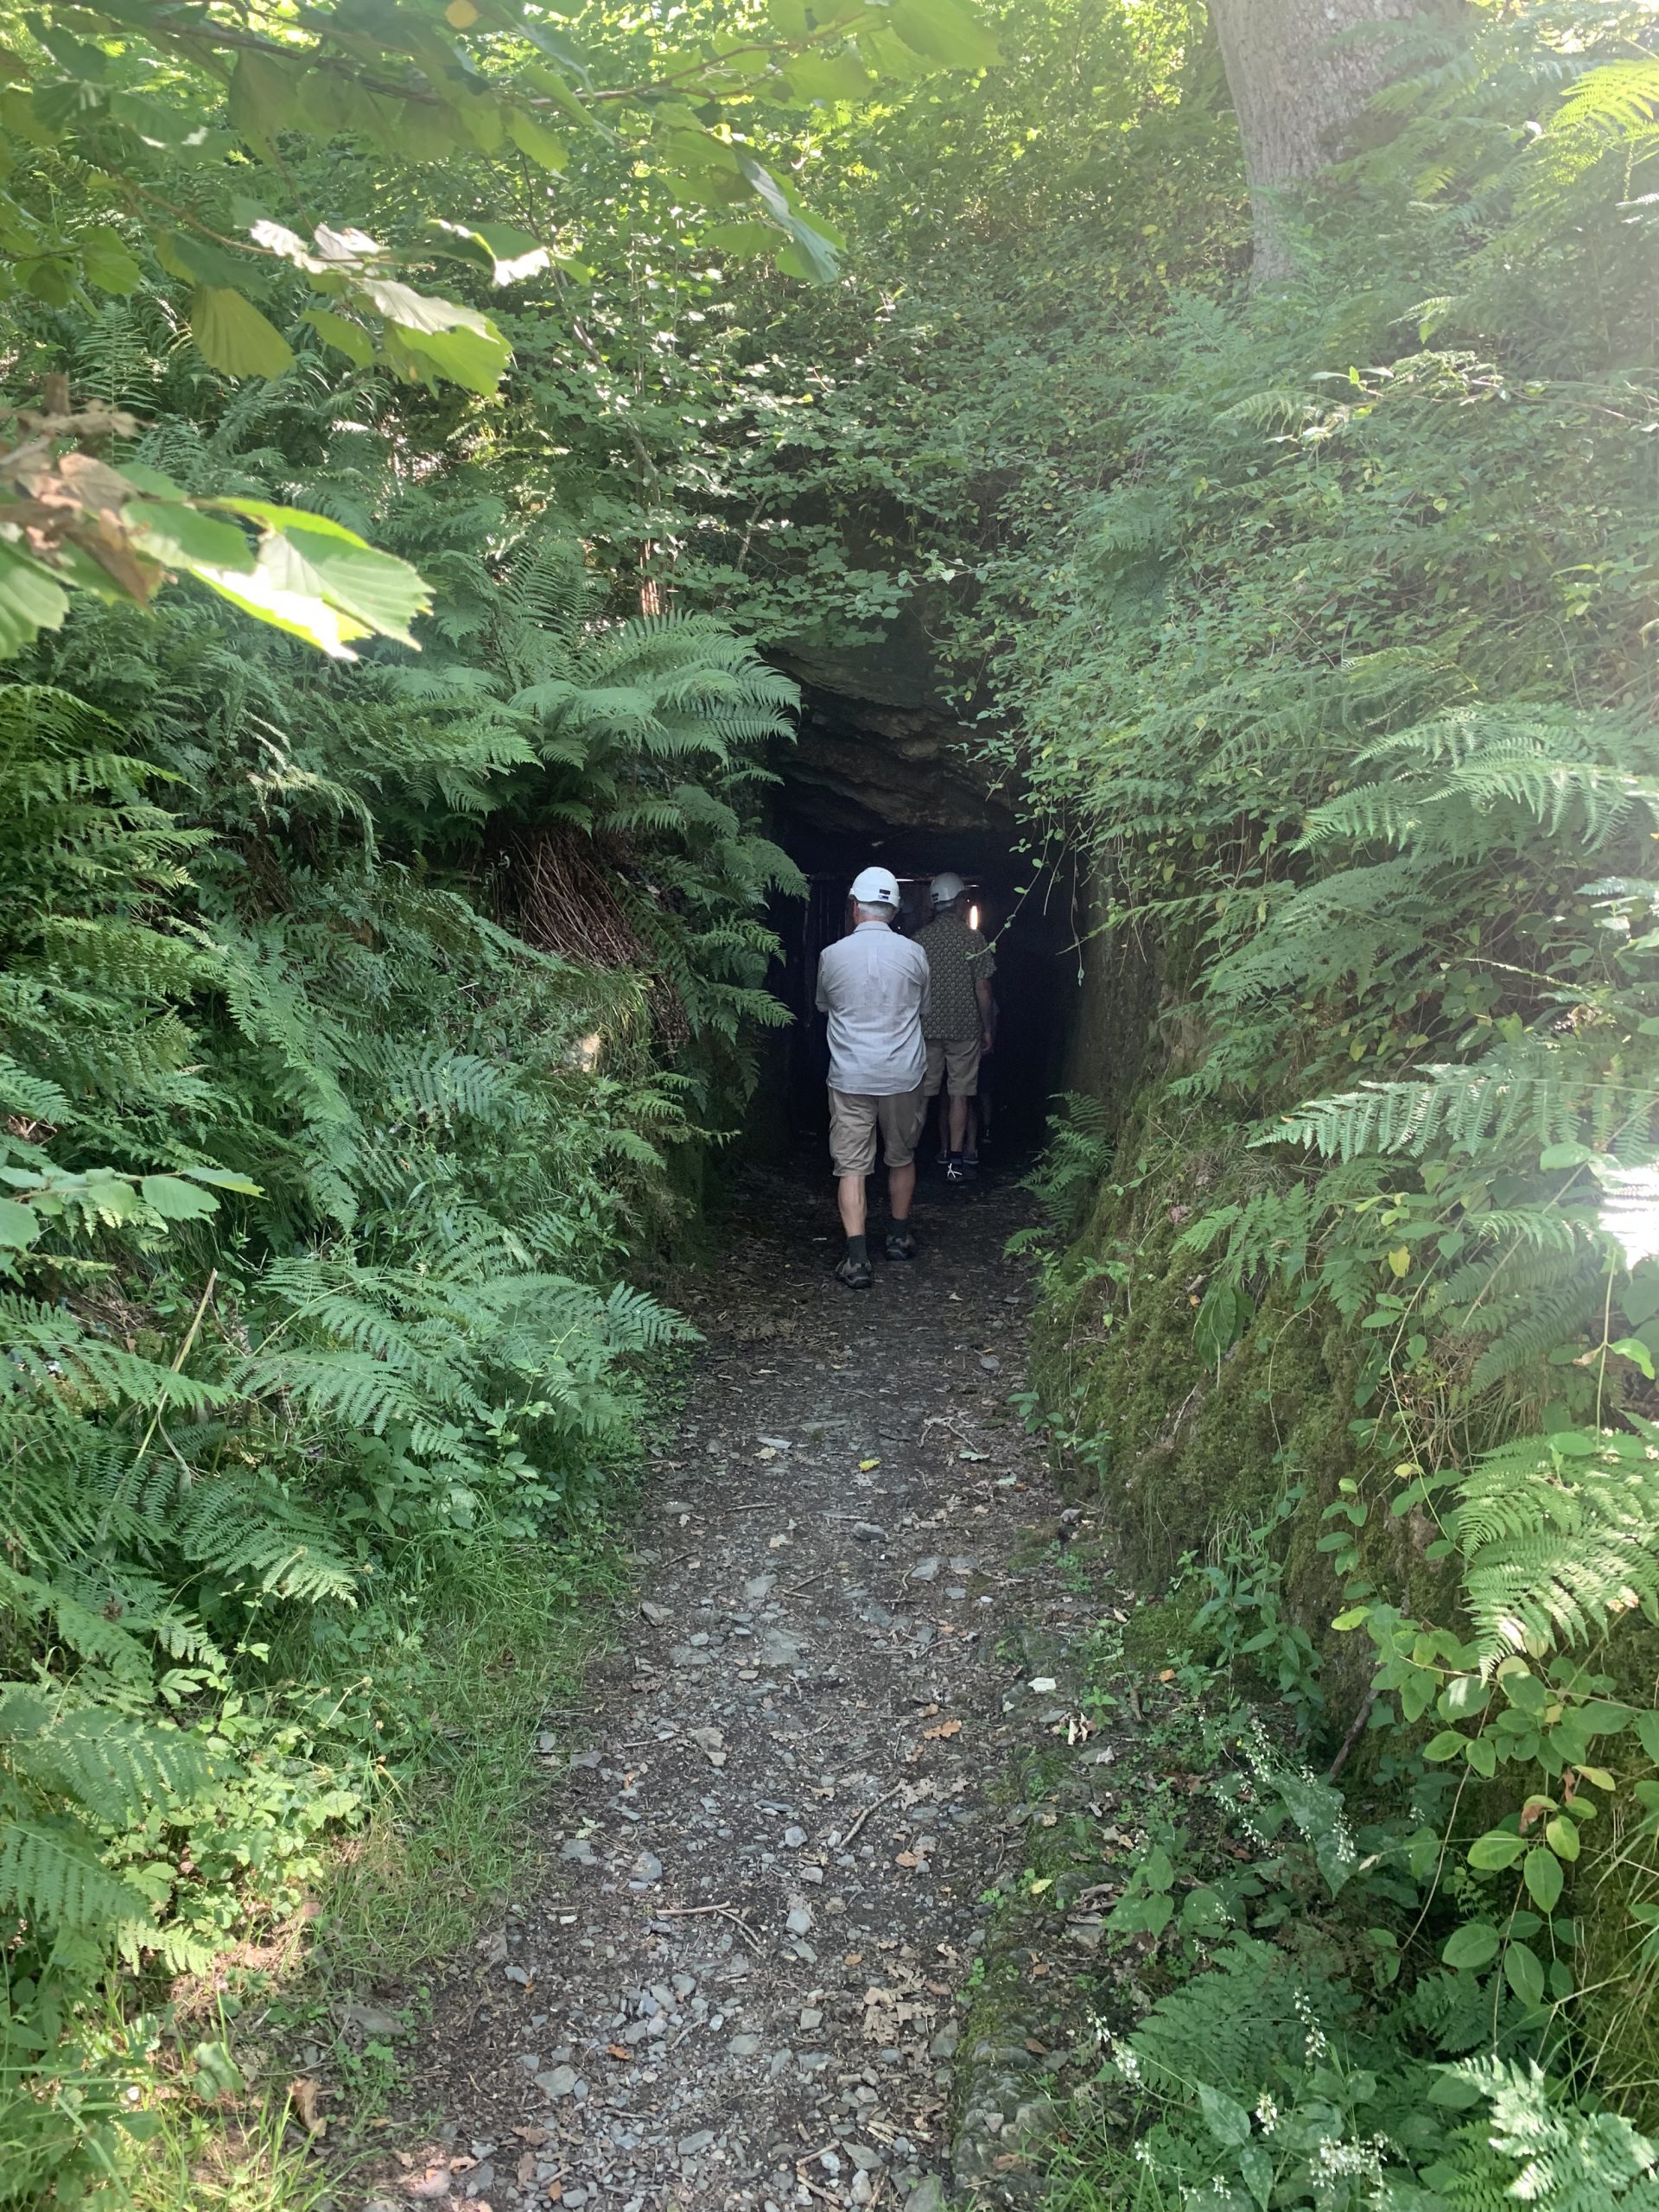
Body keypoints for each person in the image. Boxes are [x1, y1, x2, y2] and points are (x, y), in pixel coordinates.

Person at [814, 864, 931, 1291]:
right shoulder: (915, 954)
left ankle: (858, 1259)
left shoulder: (832, 955)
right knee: (901, 1156)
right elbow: (923, 1009)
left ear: (854, 907)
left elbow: (824, 1006)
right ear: (894, 910)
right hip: (902, 1073)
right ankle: (898, 1237)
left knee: (851, 1167)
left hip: (850, 1076)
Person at [916, 872, 995, 1185]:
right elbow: (984, 989)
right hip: (964, 1029)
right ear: (960, 902)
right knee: (960, 1094)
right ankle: (955, 1163)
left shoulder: (919, 941)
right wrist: (987, 1027)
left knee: (923, 1093)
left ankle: (906, 1153)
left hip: (927, 1028)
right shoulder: (973, 939)